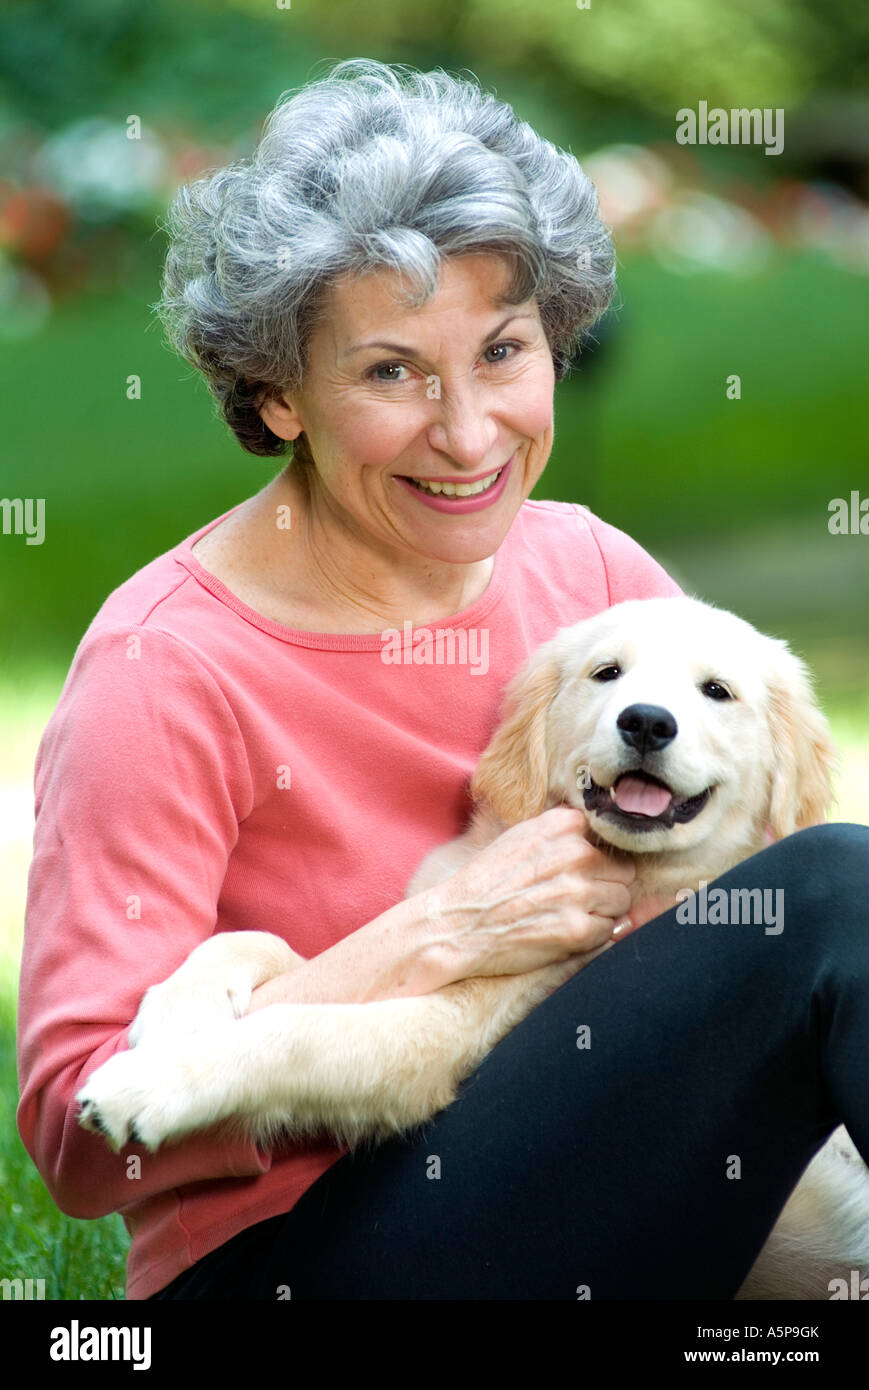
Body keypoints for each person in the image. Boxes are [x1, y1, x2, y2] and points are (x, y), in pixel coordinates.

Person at [17, 58, 869, 1302]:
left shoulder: (591, 572)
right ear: (278, 394)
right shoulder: (164, 668)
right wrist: (440, 932)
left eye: (502, 352)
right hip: (304, 1260)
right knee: (836, 884)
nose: (467, 433)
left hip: (606, 1199)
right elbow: (77, 1137)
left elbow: (731, 927)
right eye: (389, 371)